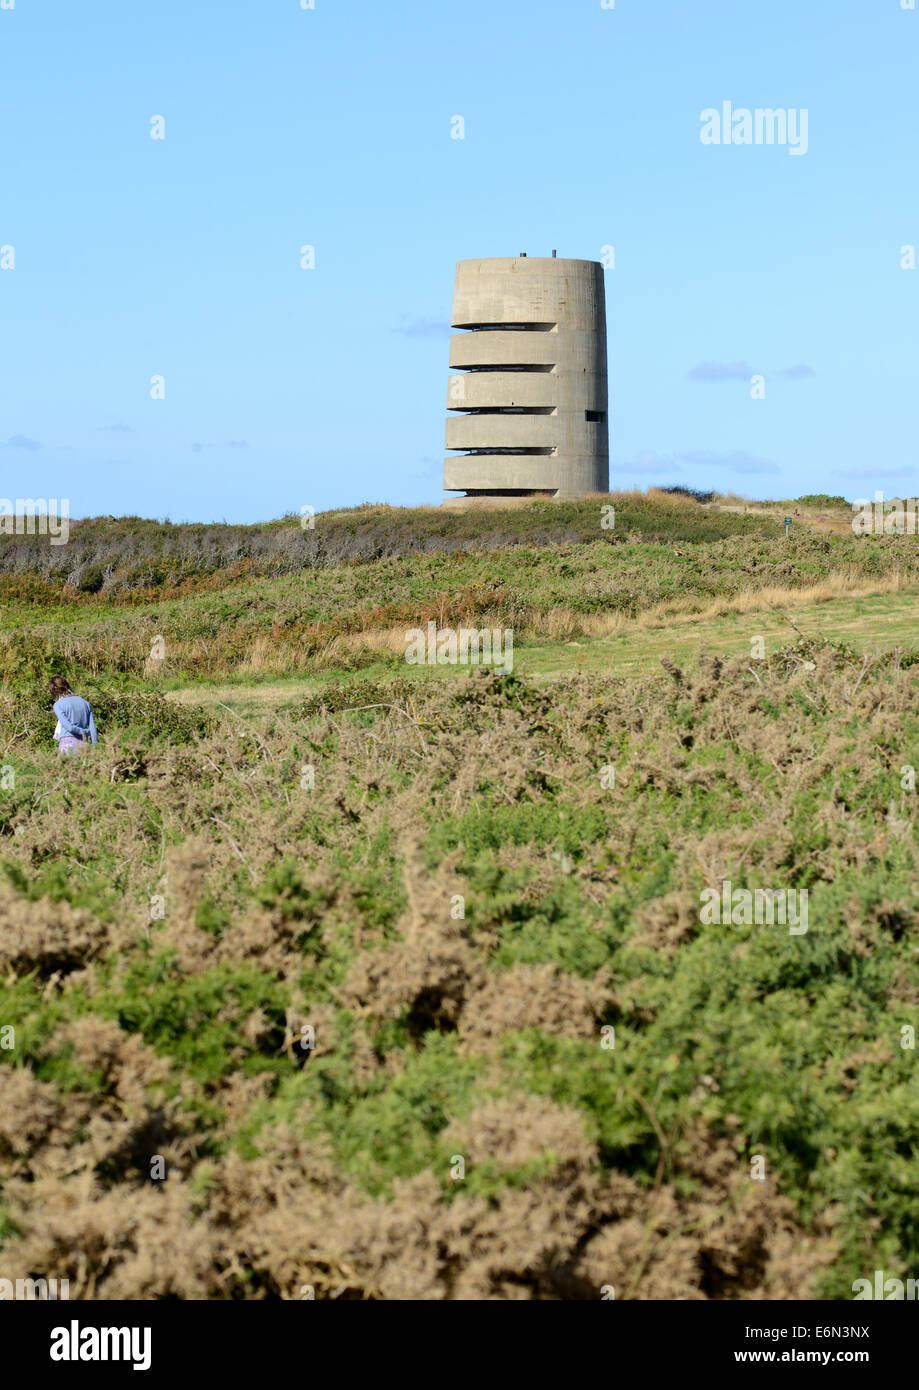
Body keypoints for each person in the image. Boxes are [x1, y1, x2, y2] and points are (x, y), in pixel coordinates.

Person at [50, 676, 98, 756]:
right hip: (85, 746)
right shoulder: (85, 703)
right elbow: (93, 729)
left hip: (67, 746)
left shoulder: (58, 705)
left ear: (54, 690)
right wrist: (95, 749)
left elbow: (69, 727)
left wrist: (86, 732)